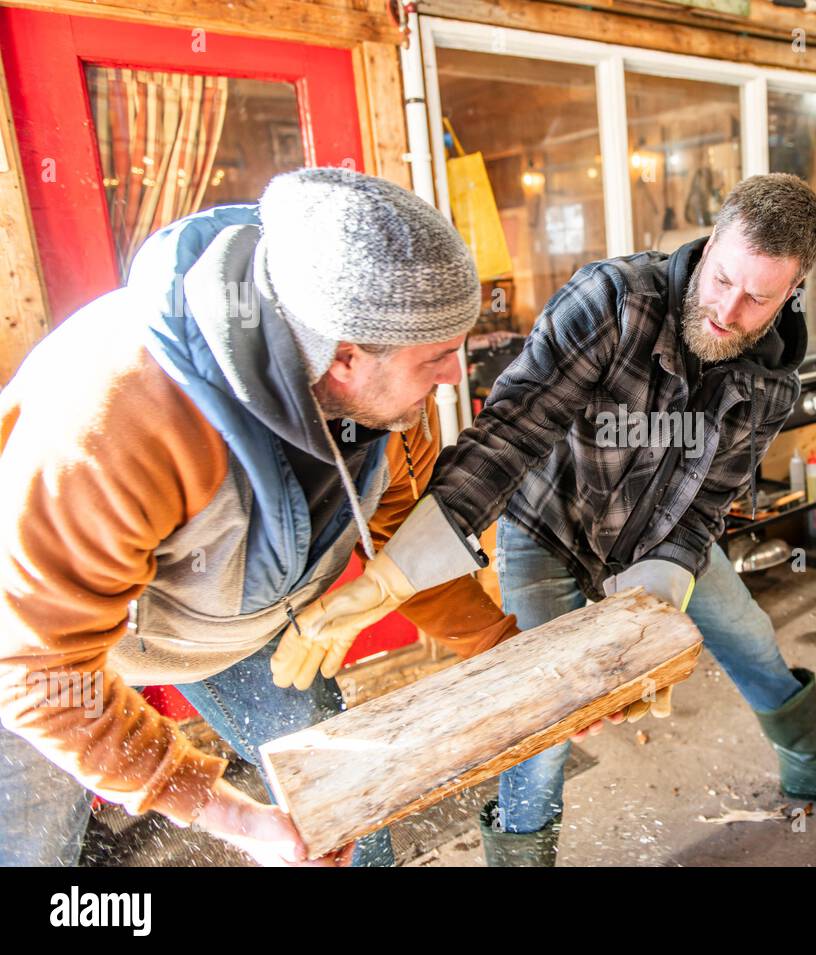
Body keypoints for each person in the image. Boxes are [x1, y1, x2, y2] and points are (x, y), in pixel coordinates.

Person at [277, 173, 816, 867]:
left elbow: (703, 506)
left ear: (791, 293)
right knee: (545, 716)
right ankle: (521, 860)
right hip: (550, 529)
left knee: (754, 638)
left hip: (661, 538)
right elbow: (513, 429)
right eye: (722, 278)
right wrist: (399, 571)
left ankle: (810, 760)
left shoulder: (773, 380)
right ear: (708, 246)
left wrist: (651, 610)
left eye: (758, 297)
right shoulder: (614, 302)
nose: (728, 309)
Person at [0, 168, 517, 866]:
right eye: (437, 359)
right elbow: (38, 668)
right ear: (344, 358)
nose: (456, 375)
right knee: (34, 850)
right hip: (33, 635)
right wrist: (234, 818)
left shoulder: (391, 402)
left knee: (344, 816)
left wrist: (504, 651)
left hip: (220, 629)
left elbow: (399, 538)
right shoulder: (117, 415)